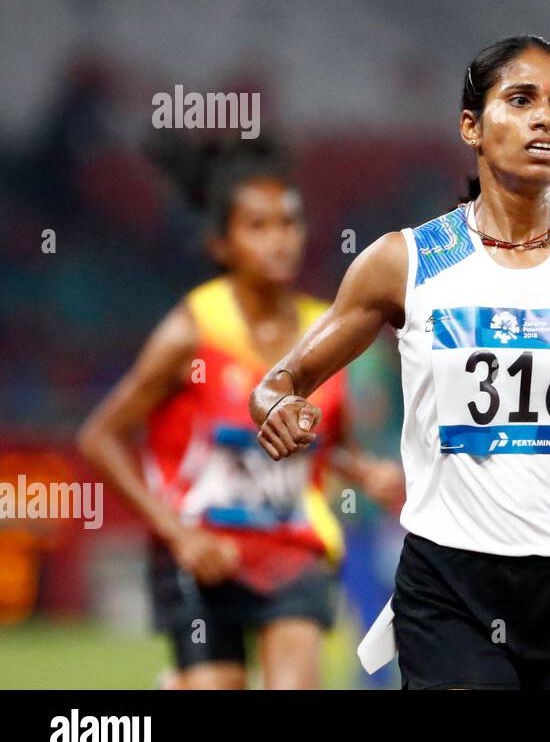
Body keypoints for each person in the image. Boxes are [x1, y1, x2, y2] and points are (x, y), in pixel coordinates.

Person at [250, 36, 550, 689]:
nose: (546, 119)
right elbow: (280, 381)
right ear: (471, 125)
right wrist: (279, 408)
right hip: (453, 588)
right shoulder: (403, 262)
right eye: (521, 99)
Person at [78, 138, 404, 689]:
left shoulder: (325, 331)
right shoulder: (192, 331)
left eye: (288, 223)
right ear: (221, 244)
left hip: (292, 549)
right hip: (206, 554)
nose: (279, 241)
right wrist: (178, 537)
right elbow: (100, 437)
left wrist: (361, 470)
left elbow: (325, 440)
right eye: (257, 227)